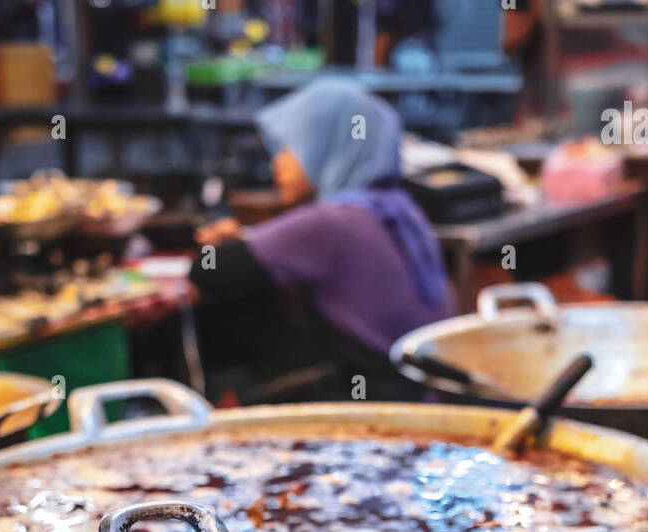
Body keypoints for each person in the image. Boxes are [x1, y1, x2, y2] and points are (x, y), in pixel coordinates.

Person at [191, 76, 455, 387]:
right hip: (420, 389)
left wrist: (228, 243)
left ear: (330, 145)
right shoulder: (396, 205)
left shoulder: (334, 221)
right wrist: (249, 239)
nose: (278, 162)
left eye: (293, 146)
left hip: (374, 401)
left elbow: (208, 271)